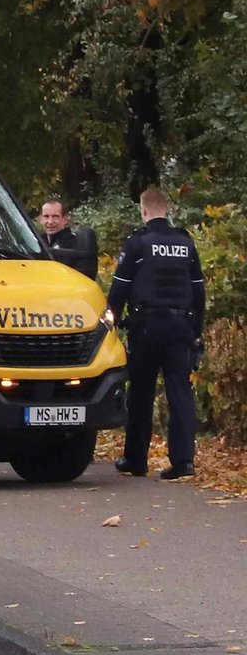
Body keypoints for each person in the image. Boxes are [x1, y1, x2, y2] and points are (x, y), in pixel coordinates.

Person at [109, 186, 207, 479]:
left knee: (141, 391)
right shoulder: (186, 243)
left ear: (144, 210)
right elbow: (198, 291)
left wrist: (109, 323)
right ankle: (183, 461)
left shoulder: (138, 244)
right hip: (181, 327)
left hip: (147, 327)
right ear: (167, 209)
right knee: (179, 392)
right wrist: (196, 330)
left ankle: (136, 459)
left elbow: (120, 288)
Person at [38, 199, 99, 281]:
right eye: (46, 216)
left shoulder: (74, 243)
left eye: (55, 216)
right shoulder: (36, 242)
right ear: (41, 220)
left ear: (65, 220)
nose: (50, 222)